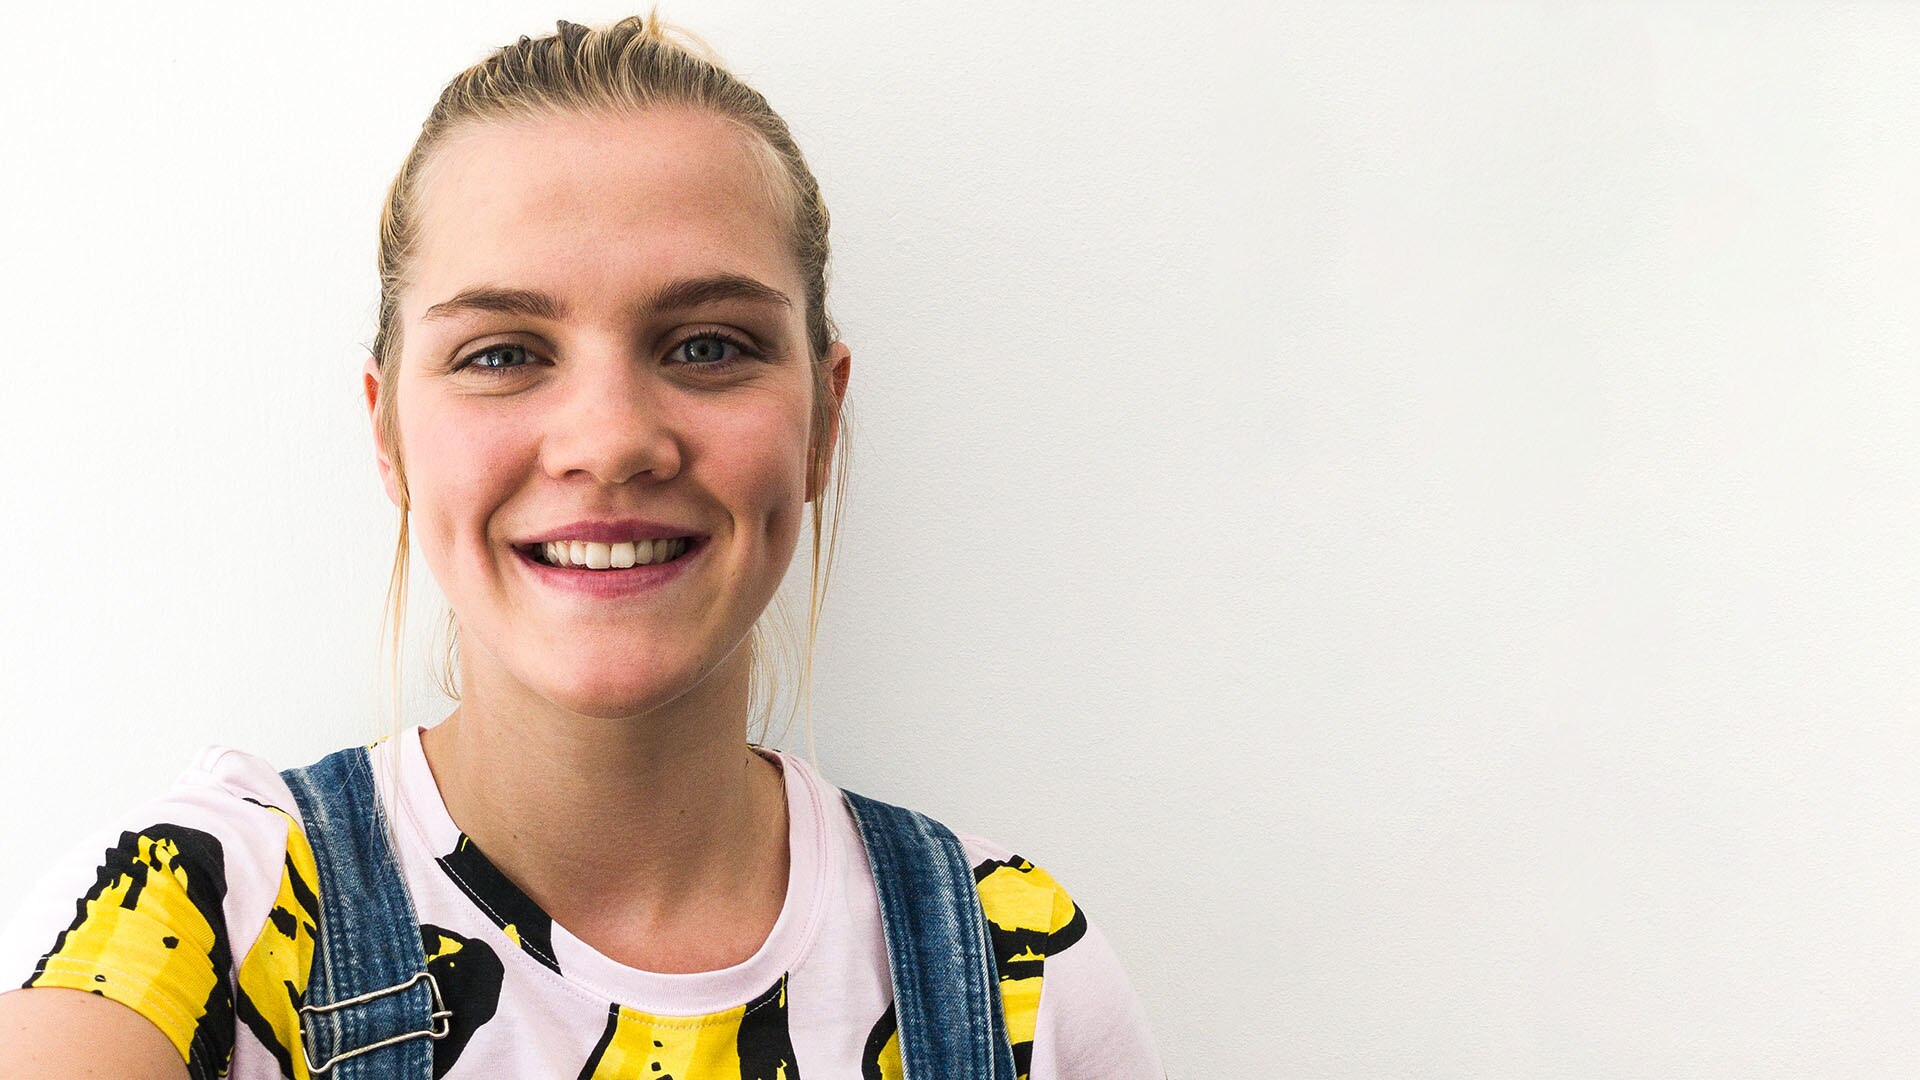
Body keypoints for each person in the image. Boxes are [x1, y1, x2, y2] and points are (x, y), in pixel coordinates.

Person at [0, 14, 1164, 1080]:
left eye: (707, 346)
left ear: (822, 422)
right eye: (503, 354)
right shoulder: (202, 913)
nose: (609, 443)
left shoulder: (1019, 972)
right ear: (389, 435)